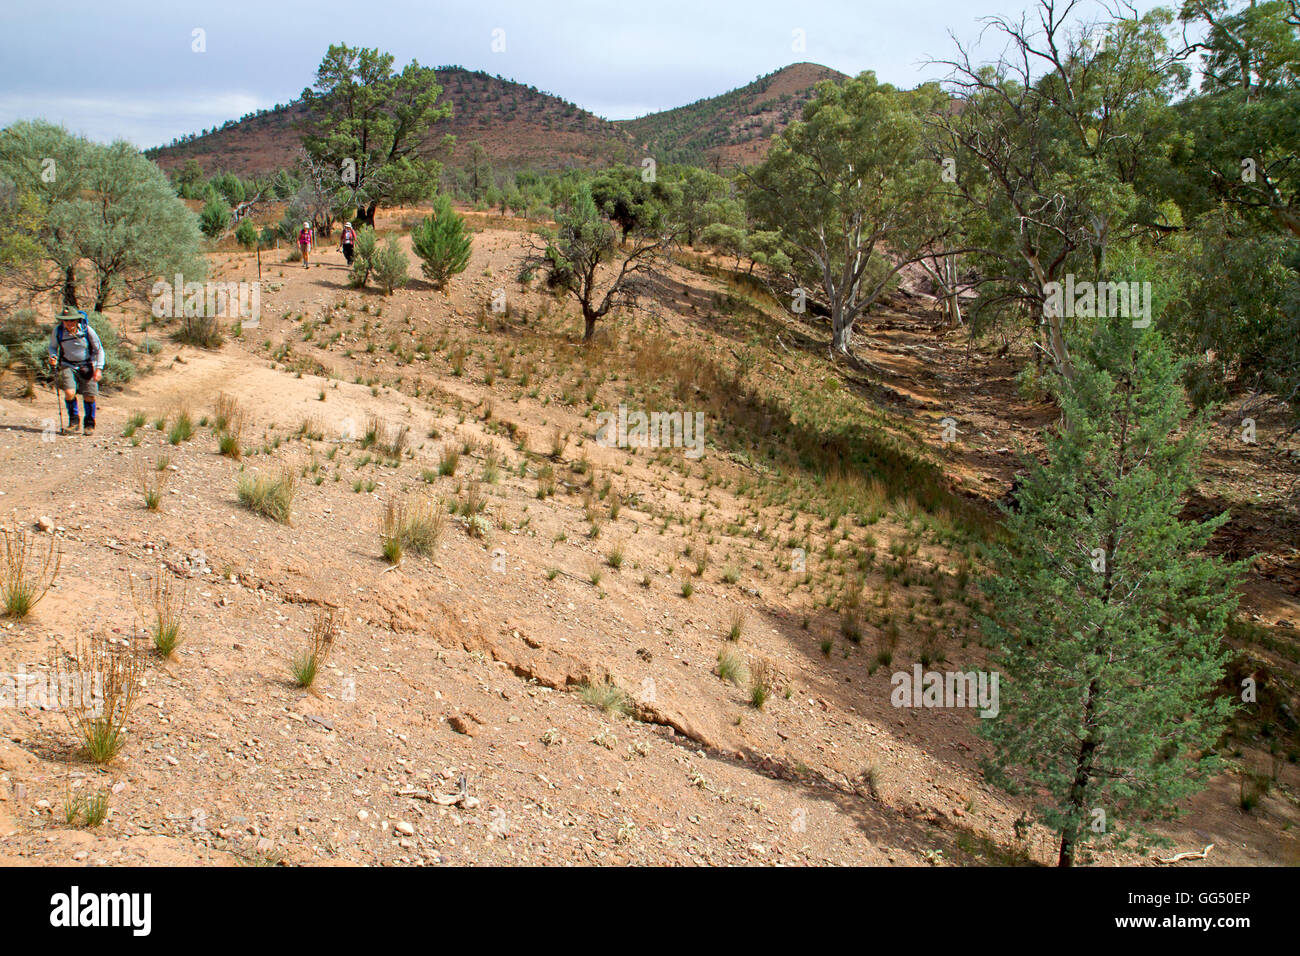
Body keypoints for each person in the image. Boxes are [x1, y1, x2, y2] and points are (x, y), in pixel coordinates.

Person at [47, 305, 104, 436]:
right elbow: (52, 347)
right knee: (69, 392)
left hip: (88, 365)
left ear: (77, 320)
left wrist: (99, 369)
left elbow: (99, 349)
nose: (69, 323)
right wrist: (52, 356)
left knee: (89, 396)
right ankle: (73, 422)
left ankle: (89, 424)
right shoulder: (58, 331)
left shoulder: (87, 330)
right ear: (62, 321)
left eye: (72, 320)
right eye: (66, 321)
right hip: (68, 365)